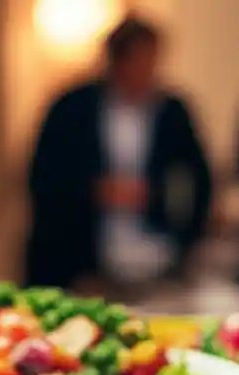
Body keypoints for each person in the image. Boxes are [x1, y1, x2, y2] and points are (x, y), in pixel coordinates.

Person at [26, 17, 212, 297]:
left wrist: (184, 237)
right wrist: (95, 190)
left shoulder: (172, 111)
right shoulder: (71, 109)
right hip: (82, 259)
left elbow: (199, 180)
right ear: (116, 61)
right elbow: (42, 177)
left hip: (155, 258)